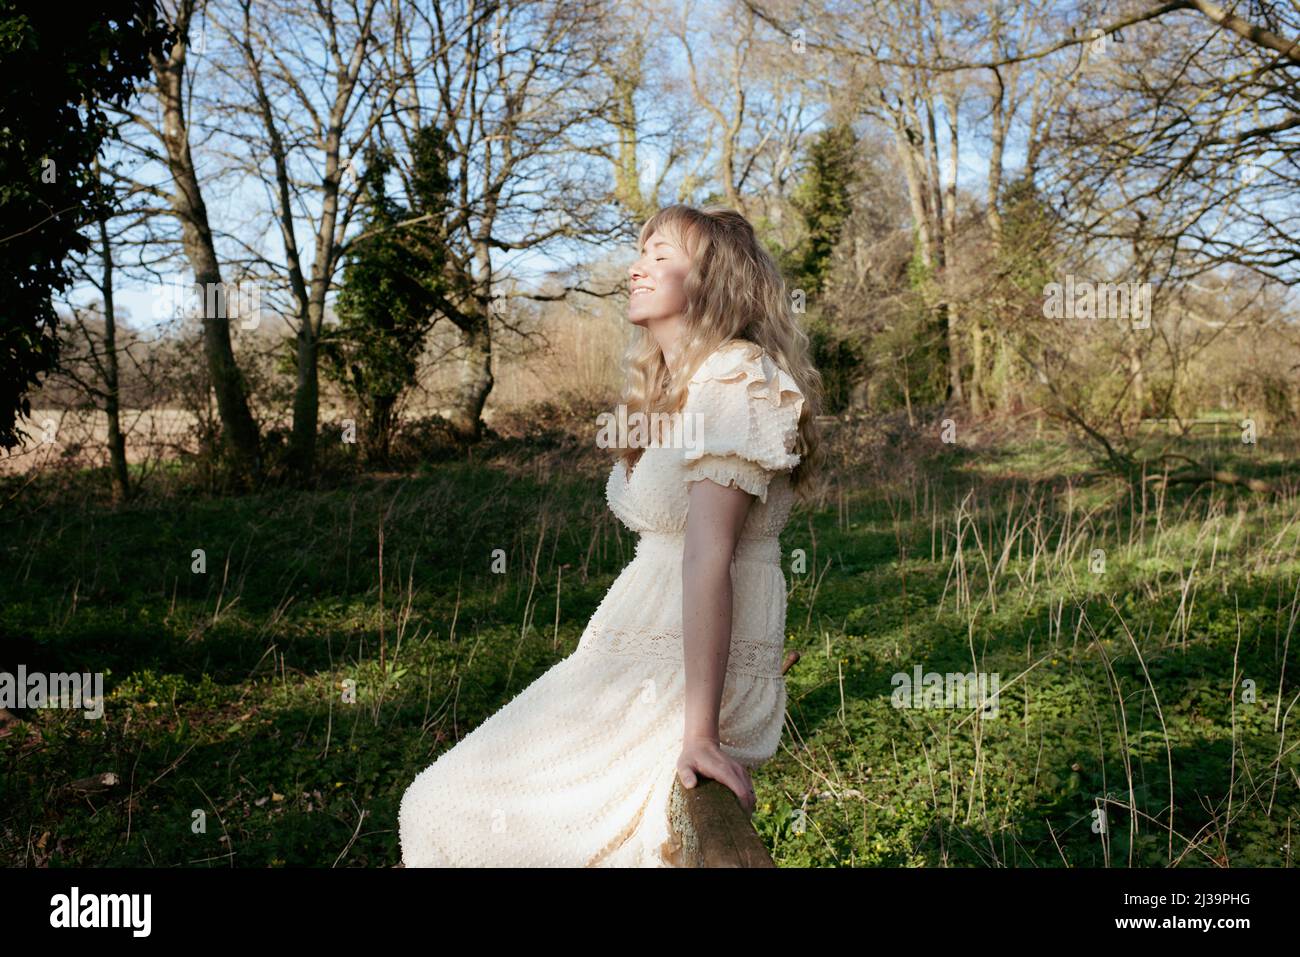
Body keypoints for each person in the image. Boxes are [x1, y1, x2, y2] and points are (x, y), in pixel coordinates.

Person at [398, 203, 823, 866]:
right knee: (439, 804)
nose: (636, 268)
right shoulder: (677, 388)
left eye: (661, 257)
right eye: (640, 253)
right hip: (627, 661)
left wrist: (701, 733)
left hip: (682, 681)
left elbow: (711, 557)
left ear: (715, 283)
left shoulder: (736, 379)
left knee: (445, 805)